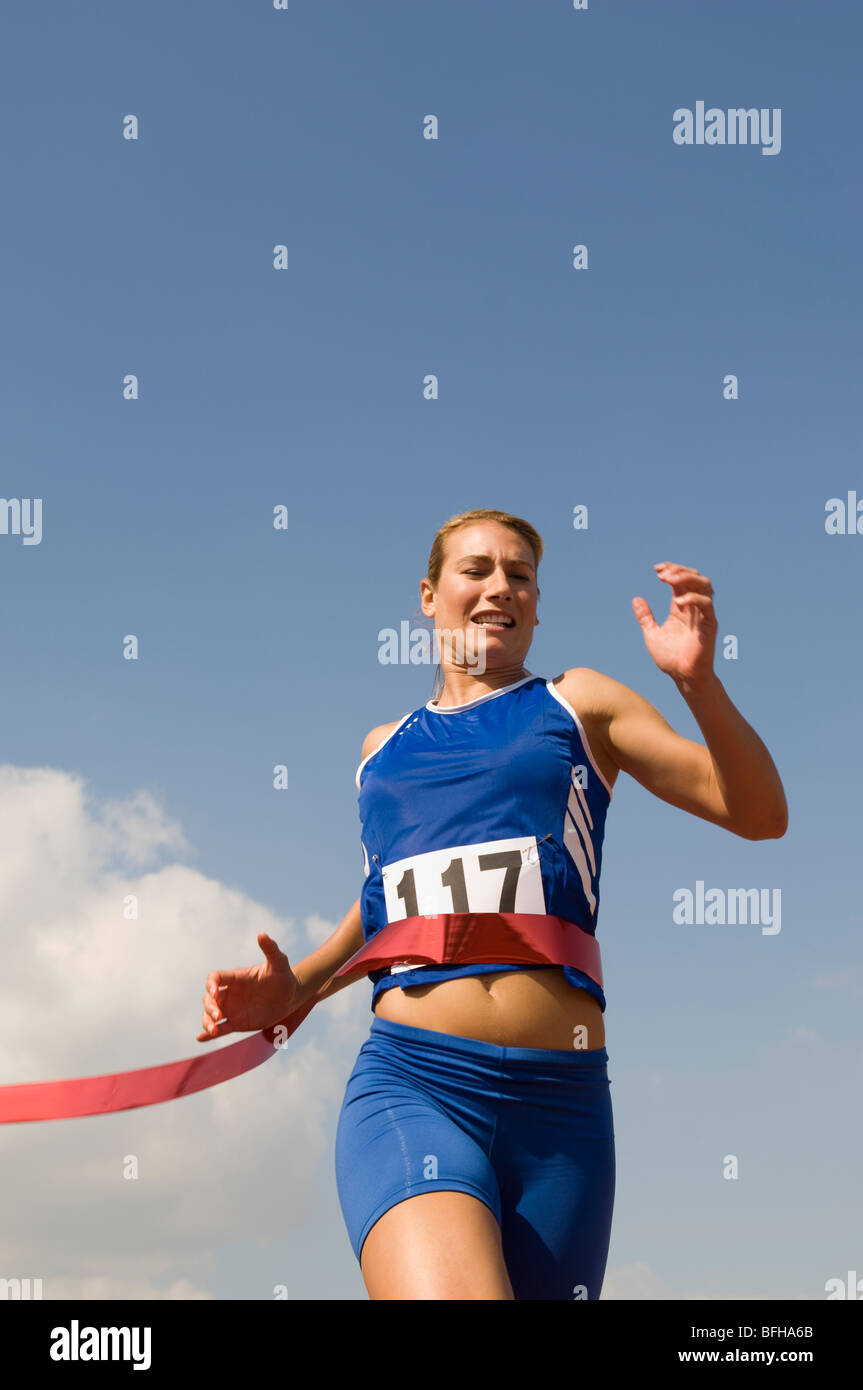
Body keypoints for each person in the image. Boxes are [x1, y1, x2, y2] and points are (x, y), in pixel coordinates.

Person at [197, 507, 788, 1300]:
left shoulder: (580, 704)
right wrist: (297, 987)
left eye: (519, 575)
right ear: (428, 594)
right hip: (416, 1086)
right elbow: (391, 908)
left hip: (565, 1109)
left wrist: (697, 685)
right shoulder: (382, 749)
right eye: (475, 570)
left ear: (537, 606)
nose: (497, 588)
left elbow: (757, 814)